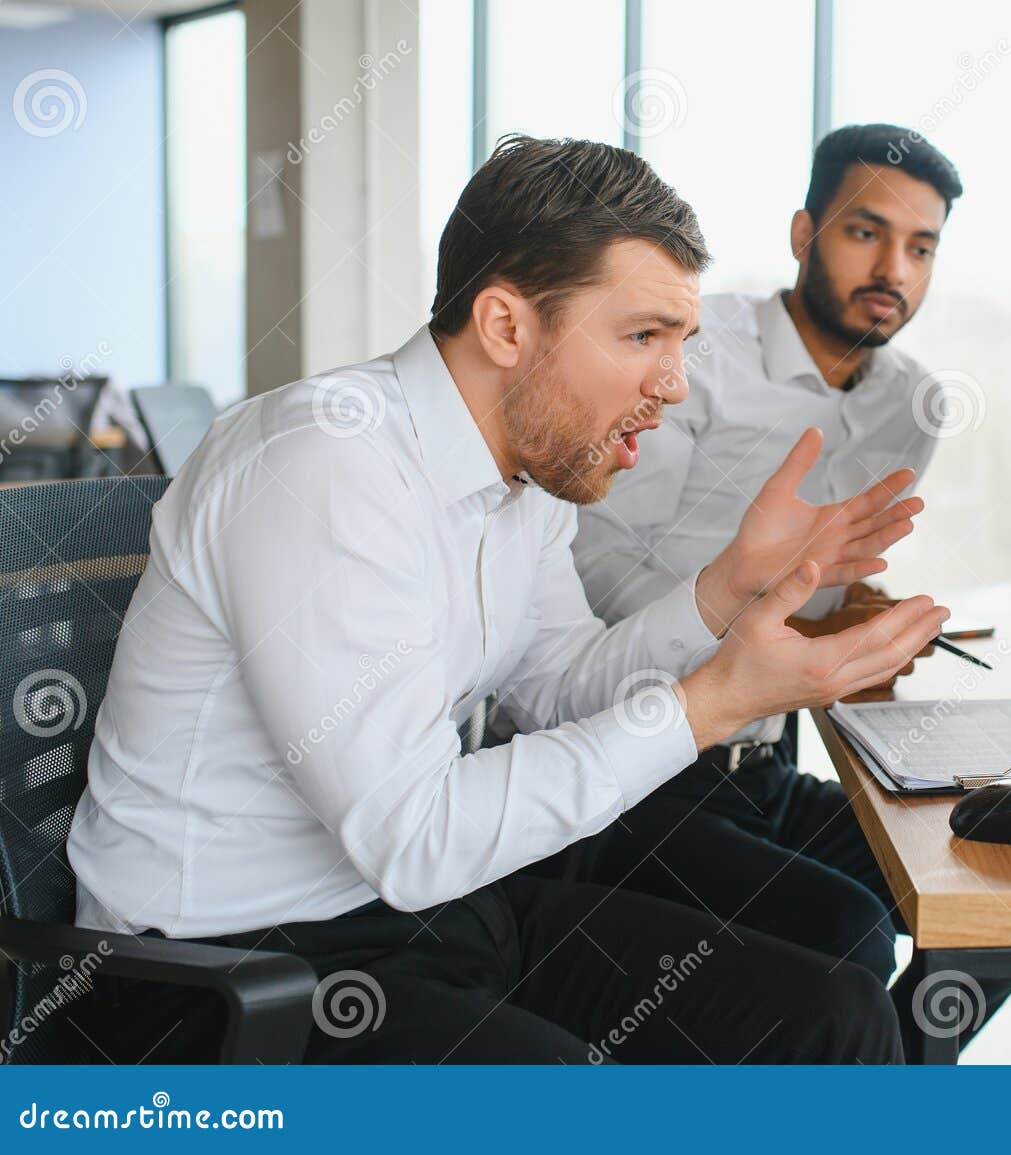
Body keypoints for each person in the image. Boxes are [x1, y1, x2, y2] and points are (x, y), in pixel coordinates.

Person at [66, 136, 948, 1065]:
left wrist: (730, 585)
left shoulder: (526, 476)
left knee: (836, 1016)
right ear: (505, 326)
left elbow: (563, 686)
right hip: (229, 972)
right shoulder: (325, 463)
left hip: (429, 913)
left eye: (681, 342)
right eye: (643, 336)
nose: (674, 385)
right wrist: (717, 702)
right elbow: (411, 835)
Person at [570, 124, 961, 987]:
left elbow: (829, 568)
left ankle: (894, 1085)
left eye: (920, 247)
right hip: (640, 761)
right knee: (849, 931)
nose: (893, 270)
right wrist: (750, 630)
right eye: (866, 233)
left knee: (982, 879)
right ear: (803, 235)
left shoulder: (915, 404)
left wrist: (864, 610)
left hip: (766, 762)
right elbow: (594, 561)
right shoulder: (699, 357)